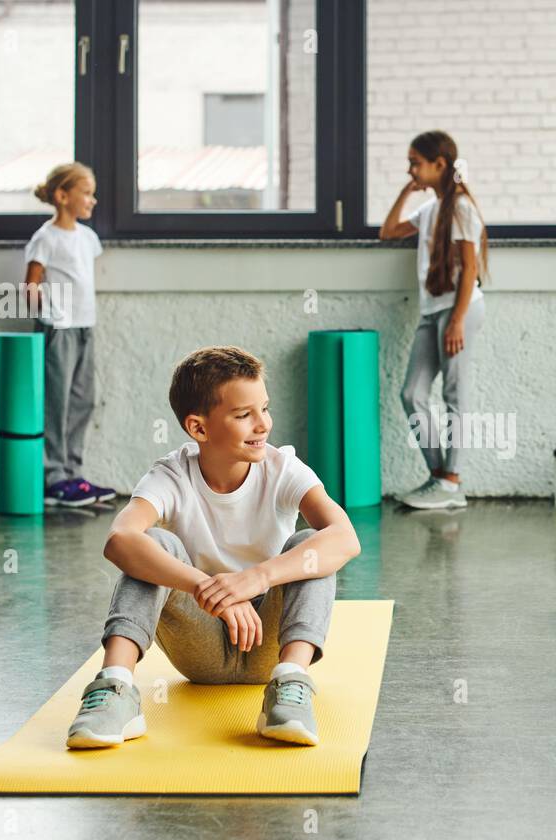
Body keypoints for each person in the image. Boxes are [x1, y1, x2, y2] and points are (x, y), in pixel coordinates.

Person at [65, 346, 361, 749]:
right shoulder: (171, 475)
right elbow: (119, 539)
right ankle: (114, 689)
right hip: (199, 647)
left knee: (312, 544)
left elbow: (345, 537)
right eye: (244, 415)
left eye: (265, 409)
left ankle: (291, 685)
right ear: (199, 428)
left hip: (268, 644)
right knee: (152, 545)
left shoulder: (283, 468)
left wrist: (254, 579)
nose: (263, 425)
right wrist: (208, 588)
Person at [378, 130, 490, 509]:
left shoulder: (460, 208)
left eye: (416, 162)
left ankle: (451, 480)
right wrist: (407, 189)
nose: (411, 168)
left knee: (454, 394)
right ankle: (441, 478)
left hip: (460, 308)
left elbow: (471, 267)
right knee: (412, 393)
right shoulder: (430, 210)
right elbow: (388, 231)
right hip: (431, 311)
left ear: (439, 165)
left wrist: (457, 320)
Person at [24, 161, 114, 507]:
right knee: (56, 403)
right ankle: (53, 477)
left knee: (81, 400)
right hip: (57, 330)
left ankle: (73, 474)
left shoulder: (88, 238)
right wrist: (45, 311)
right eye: (87, 193)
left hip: (83, 328)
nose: (93, 200)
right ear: (63, 196)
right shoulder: (45, 238)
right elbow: (31, 285)